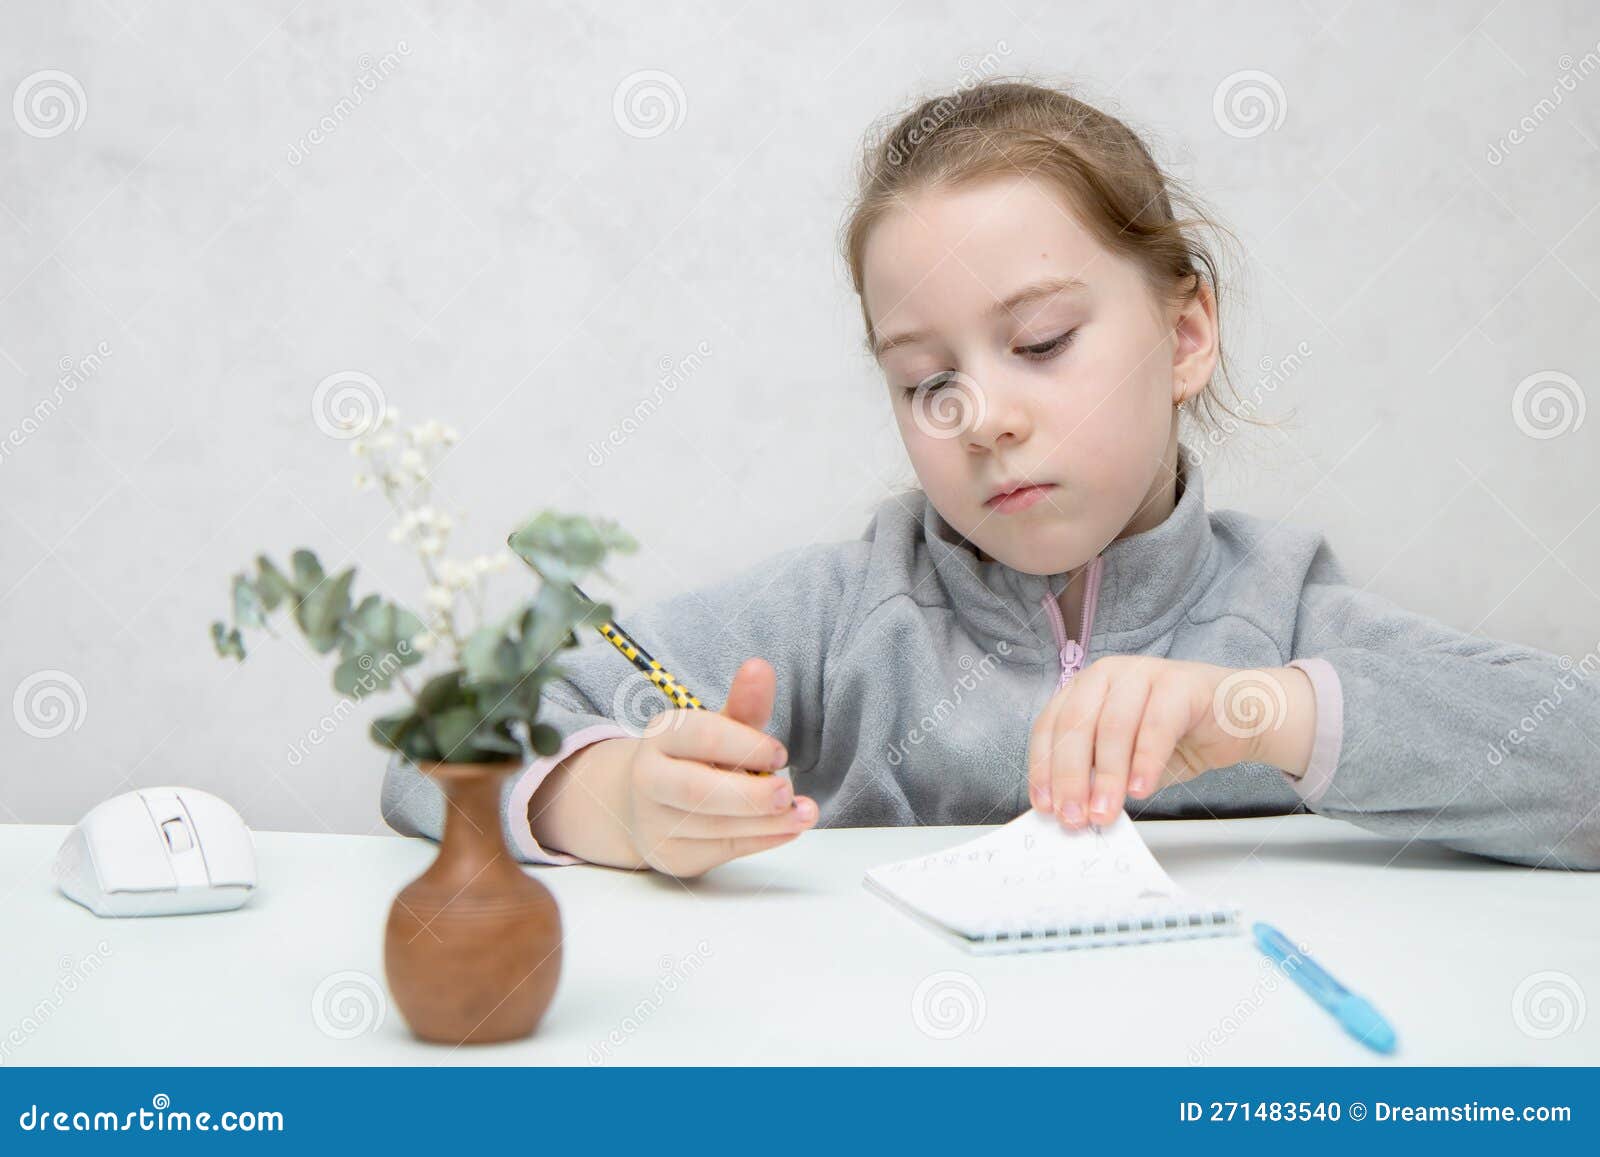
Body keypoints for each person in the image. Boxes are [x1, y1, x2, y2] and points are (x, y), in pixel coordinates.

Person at [383, 80, 1600, 878]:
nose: (981, 416)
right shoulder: (836, 616)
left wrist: (1260, 712)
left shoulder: (1279, 606)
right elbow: (433, 748)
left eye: (1038, 344)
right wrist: (609, 800)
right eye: (924, 381)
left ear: (1185, 335)